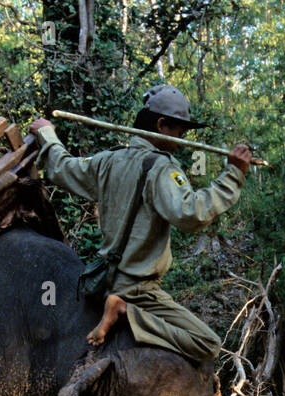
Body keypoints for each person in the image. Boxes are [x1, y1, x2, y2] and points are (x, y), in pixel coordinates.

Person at [29, 85, 253, 363]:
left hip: (104, 280)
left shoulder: (109, 160)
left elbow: (63, 168)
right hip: (138, 290)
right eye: (180, 131)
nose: (182, 139)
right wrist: (233, 175)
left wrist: (47, 134)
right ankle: (124, 310)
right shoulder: (162, 168)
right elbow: (191, 214)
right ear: (162, 125)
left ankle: (119, 304)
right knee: (208, 343)